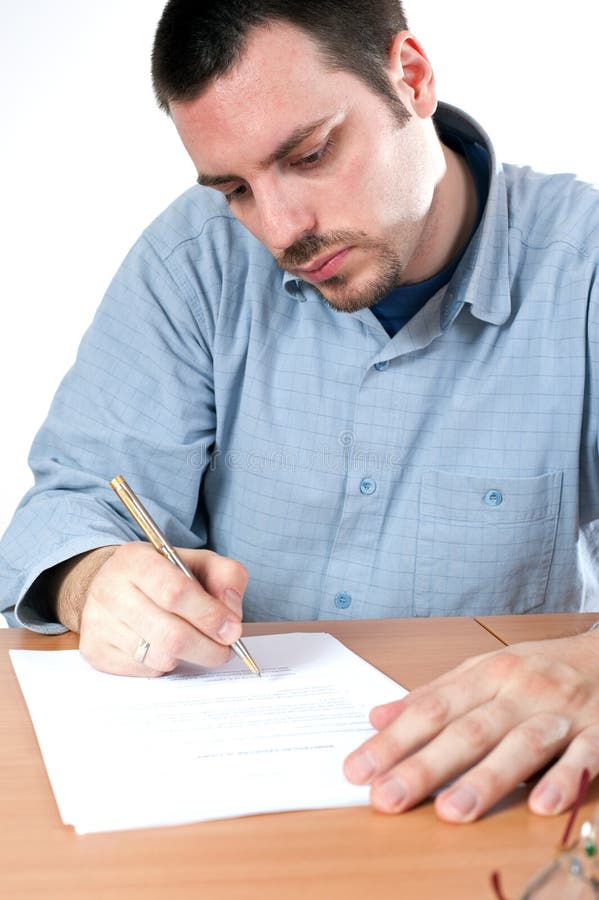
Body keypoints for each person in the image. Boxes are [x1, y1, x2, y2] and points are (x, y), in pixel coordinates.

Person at [2, 0, 599, 825]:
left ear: (411, 78)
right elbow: (67, 506)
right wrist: (94, 580)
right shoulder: (197, 260)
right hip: (222, 798)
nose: (282, 228)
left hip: (486, 806)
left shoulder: (585, 267)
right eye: (236, 188)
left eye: (310, 154)